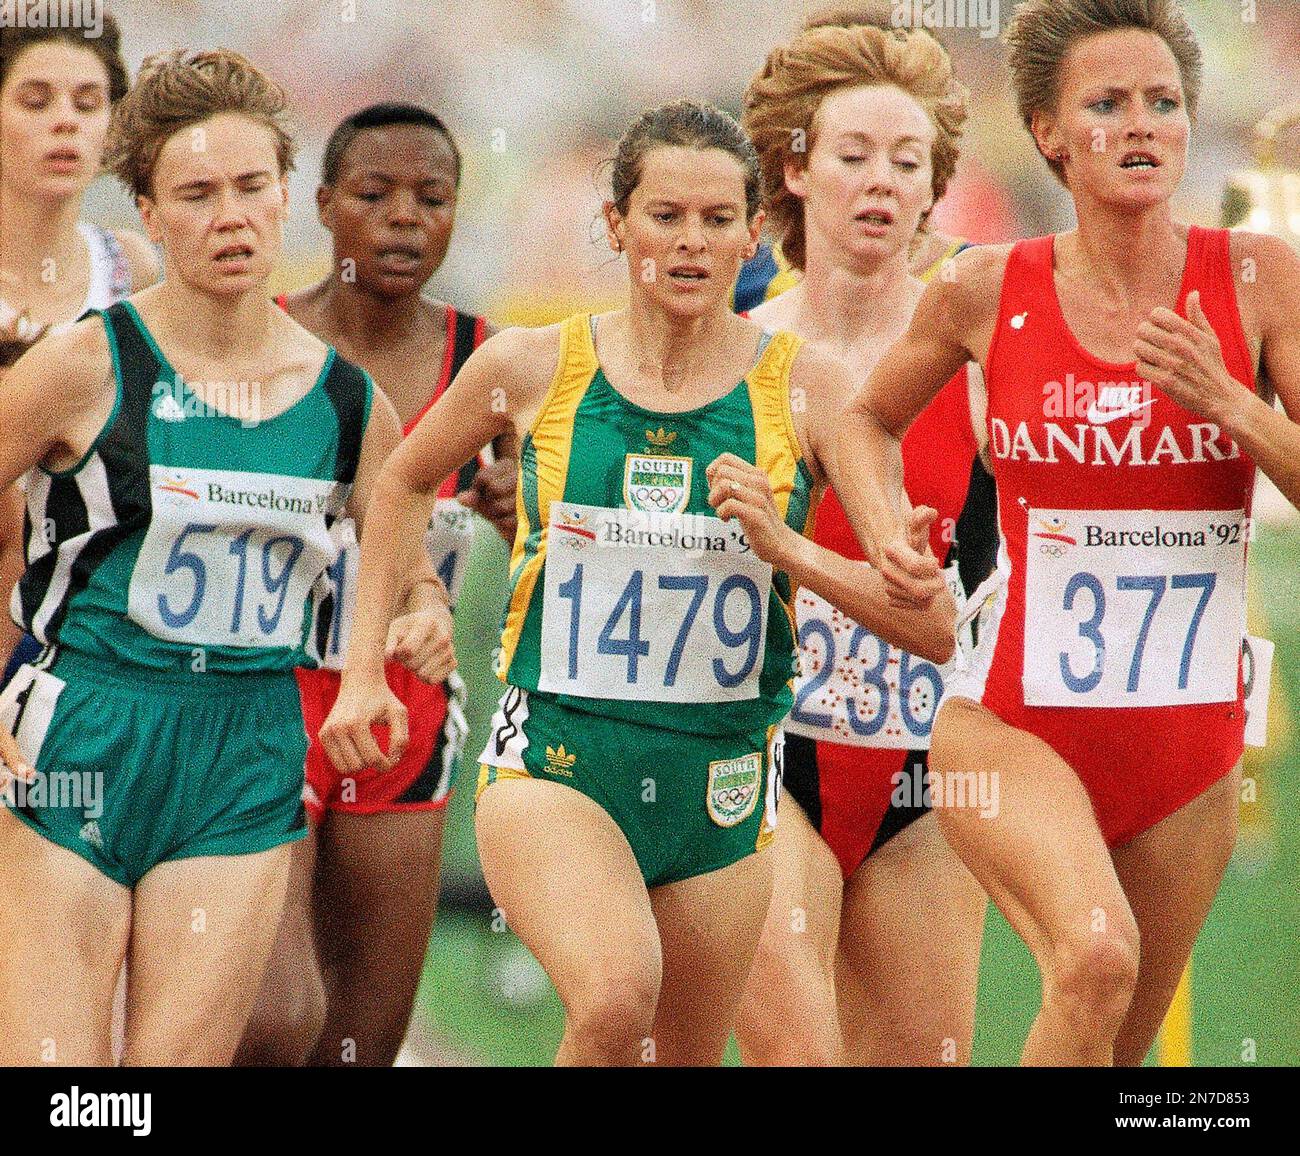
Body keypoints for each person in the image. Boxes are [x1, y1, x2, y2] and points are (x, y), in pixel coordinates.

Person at [317, 99, 956, 1066]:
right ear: (617, 225)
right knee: (617, 993)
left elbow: (932, 627)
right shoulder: (530, 366)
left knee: (677, 1054)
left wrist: (791, 551)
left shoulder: (810, 389)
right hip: (556, 767)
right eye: (665, 217)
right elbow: (403, 476)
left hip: (724, 790)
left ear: (751, 235)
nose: (690, 243)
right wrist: (367, 669)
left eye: (715, 221)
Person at [822, 0, 1300, 1065]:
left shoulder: (1259, 277)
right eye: (1107, 103)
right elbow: (861, 418)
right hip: (1009, 724)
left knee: (1113, 1050)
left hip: (1189, 744)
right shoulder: (986, 289)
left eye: (1163, 103)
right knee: (1093, 957)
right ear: (1047, 131)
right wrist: (884, 528)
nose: (1141, 126)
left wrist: (1233, 405)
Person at [0, 49, 452, 1066]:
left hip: (244, 750)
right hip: (83, 736)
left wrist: (398, 641)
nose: (230, 216)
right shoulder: (84, 364)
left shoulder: (344, 403)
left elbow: (406, 562)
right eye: (196, 194)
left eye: (251, 188)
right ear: (150, 218)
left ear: (288, 197)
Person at [732, 20, 992, 1067]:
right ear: (794, 169)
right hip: (759, 749)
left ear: (934, 185)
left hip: (929, 765)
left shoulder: (983, 338)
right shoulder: (736, 344)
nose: (881, 183)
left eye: (907, 160)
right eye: (852, 156)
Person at [236, 102, 515, 1068]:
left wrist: (513, 513)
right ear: (321, 206)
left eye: (431, 198)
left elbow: (548, 534)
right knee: (272, 1021)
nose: (404, 218)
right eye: (375, 194)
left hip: (405, 712)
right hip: (261, 695)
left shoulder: (491, 363)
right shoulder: (253, 342)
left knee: (362, 1041)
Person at [0, 12, 160, 684]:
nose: (65, 121)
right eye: (35, 101)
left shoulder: (134, 270)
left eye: (87, 103)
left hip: (82, 640)